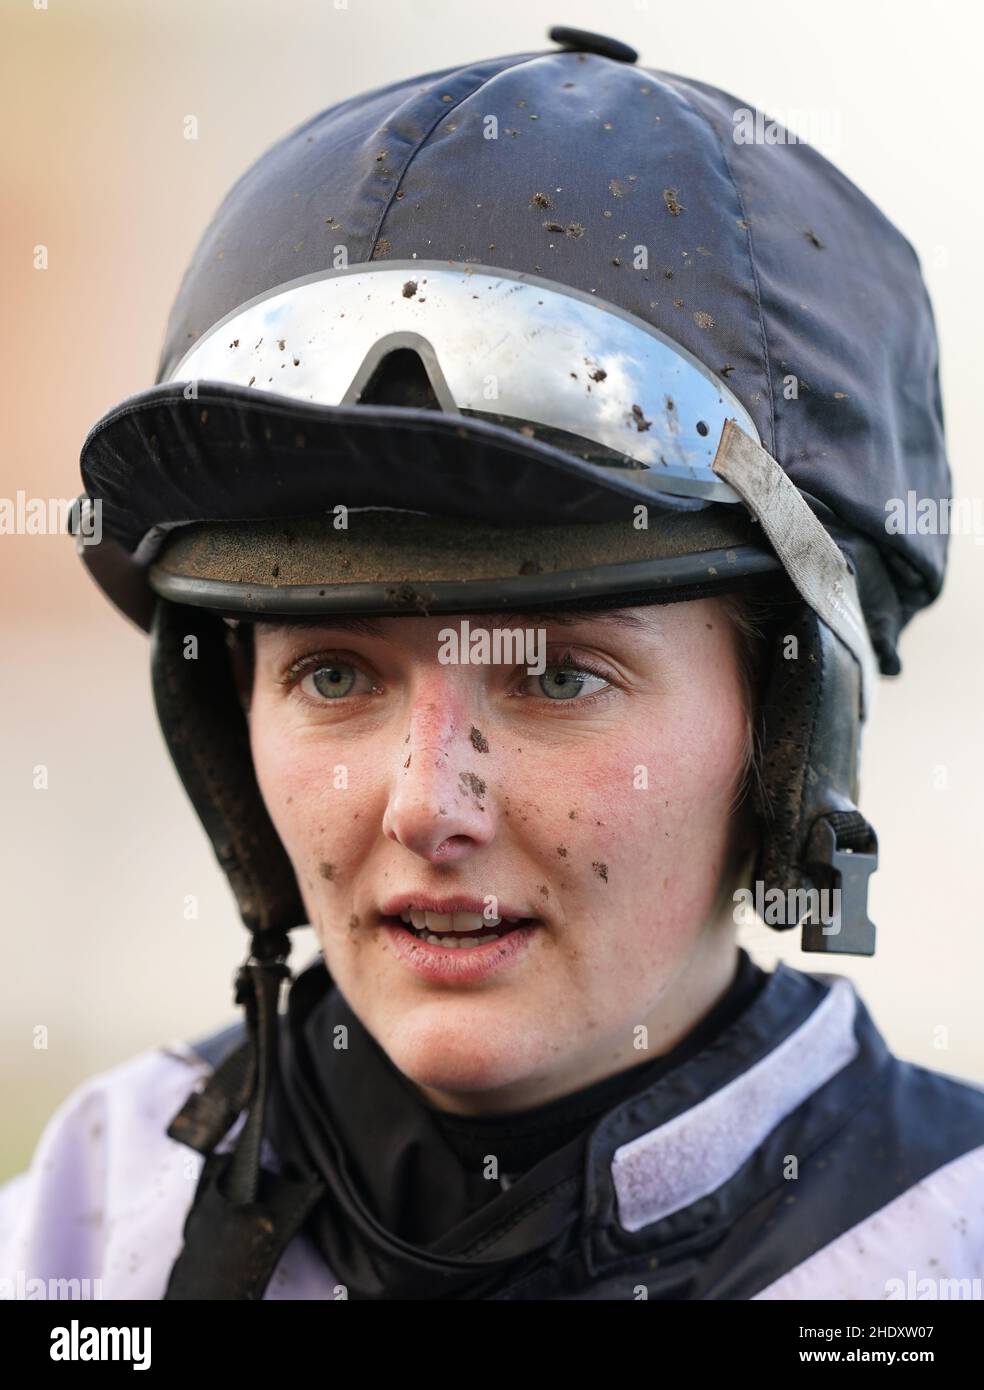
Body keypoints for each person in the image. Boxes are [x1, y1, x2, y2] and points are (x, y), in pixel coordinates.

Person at [2, 25, 982, 1302]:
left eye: (558, 677)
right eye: (335, 675)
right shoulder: (86, 1231)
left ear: (790, 737)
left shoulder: (942, 1254)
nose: (424, 805)